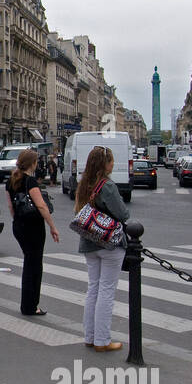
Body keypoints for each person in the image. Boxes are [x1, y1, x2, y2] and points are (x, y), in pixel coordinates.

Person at [74, 145, 130, 352]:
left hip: (89, 241)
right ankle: (102, 340)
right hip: (109, 243)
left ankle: (90, 336)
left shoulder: (85, 183)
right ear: (104, 164)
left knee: (93, 289)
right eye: (111, 160)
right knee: (106, 291)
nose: (113, 164)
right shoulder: (107, 185)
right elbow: (123, 214)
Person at [8, 149, 60, 316]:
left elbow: (11, 207)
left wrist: (18, 221)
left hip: (19, 226)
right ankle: (30, 306)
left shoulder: (12, 180)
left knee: (29, 263)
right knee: (35, 266)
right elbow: (41, 206)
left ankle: (27, 304)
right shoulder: (30, 182)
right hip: (33, 227)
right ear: (33, 163)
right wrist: (52, 226)